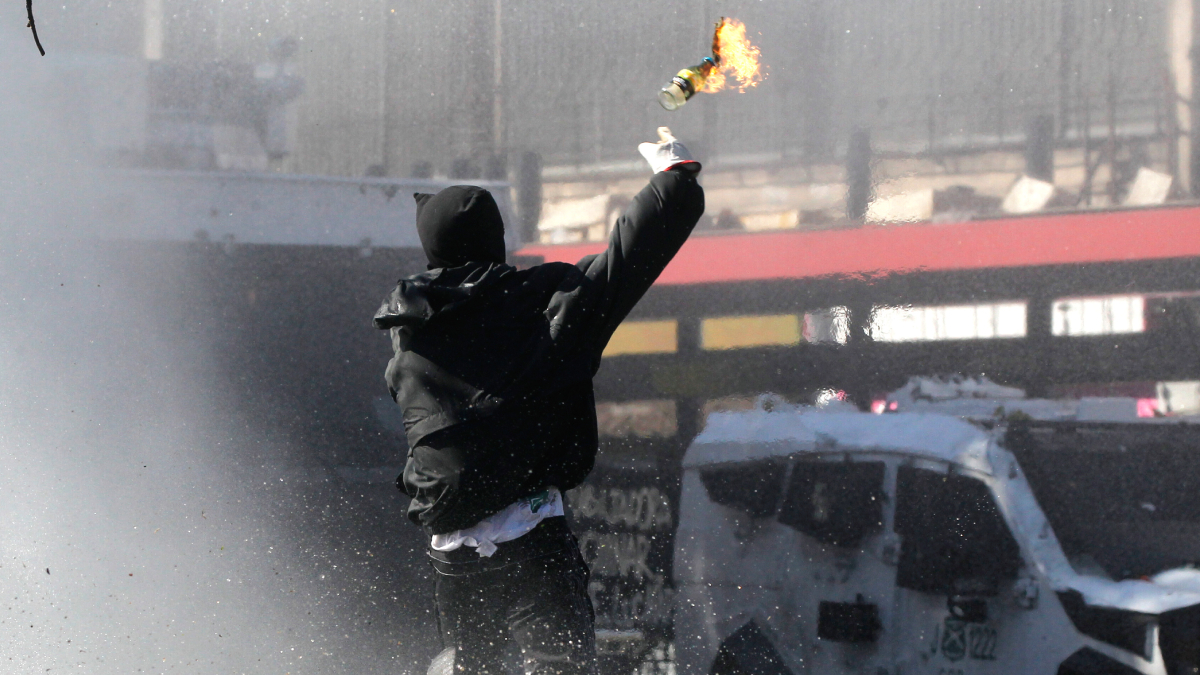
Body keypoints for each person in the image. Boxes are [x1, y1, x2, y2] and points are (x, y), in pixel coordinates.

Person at [373, 128, 704, 675]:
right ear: (495, 239)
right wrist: (674, 178)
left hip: (452, 551)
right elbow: (629, 258)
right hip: (531, 541)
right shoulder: (548, 310)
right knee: (559, 666)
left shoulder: (409, 332)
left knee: (471, 667)